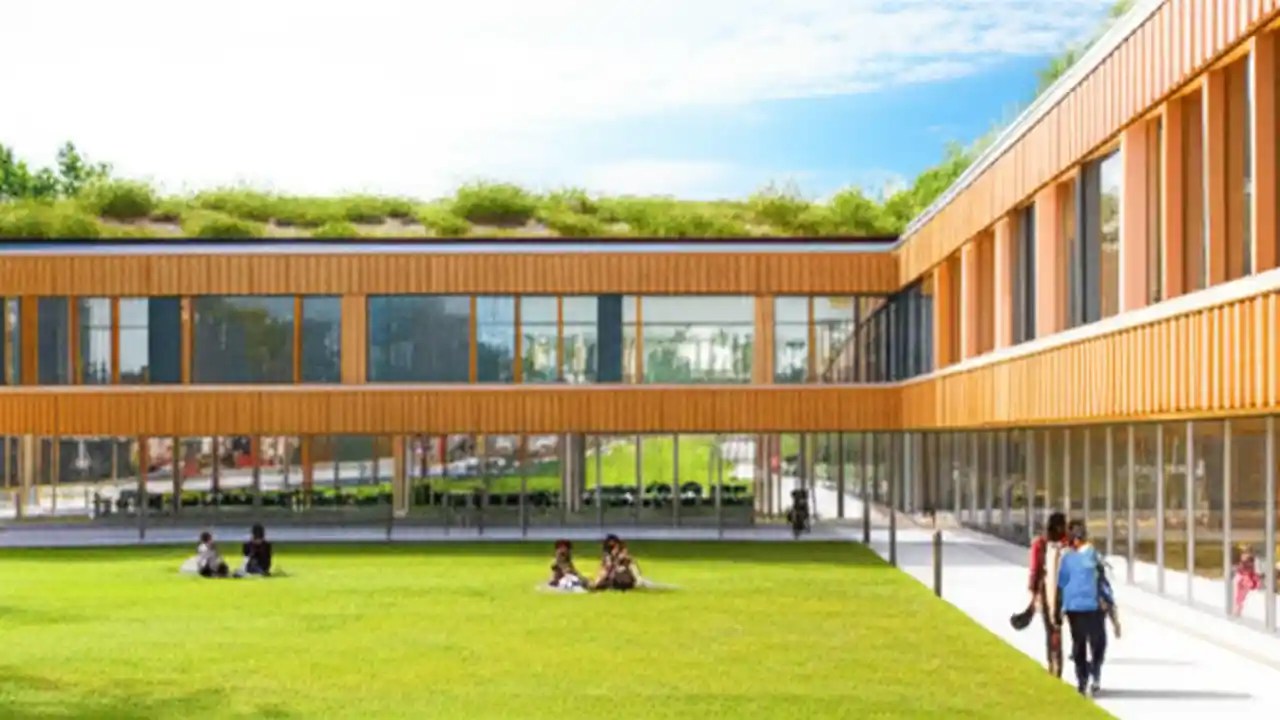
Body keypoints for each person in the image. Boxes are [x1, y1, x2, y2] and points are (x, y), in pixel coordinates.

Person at [1056, 520, 1109, 697]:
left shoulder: (1068, 558)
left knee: (1079, 643)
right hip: (1090, 607)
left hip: (1075, 607)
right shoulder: (1093, 556)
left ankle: (1082, 680)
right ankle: (1092, 674)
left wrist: (1060, 607)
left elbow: (1061, 583)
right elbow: (1102, 580)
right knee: (1095, 641)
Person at [1019, 511, 1067, 677]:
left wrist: (1034, 594)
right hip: (1063, 591)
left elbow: (1035, 570)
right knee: (1056, 627)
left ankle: (1054, 662)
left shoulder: (1040, 544)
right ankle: (1056, 661)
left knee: (1051, 628)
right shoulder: (1064, 544)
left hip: (1048, 590)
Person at [1233, 547, 1262, 617]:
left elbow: (1255, 573)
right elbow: (1240, 570)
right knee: (1239, 596)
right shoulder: (1243, 563)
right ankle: (1238, 608)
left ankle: (1238, 609)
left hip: (1248, 581)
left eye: (1245, 553)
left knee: (1241, 596)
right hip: (1243, 580)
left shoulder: (1251, 563)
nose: (1243, 555)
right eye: (1243, 554)